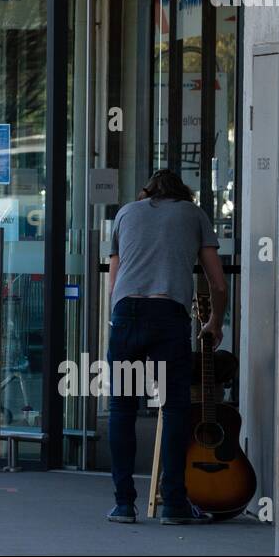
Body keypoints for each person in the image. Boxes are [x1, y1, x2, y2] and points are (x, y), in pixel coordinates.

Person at [105, 168, 227, 526]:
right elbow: (218, 284)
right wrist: (214, 322)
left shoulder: (126, 213)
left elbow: (114, 281)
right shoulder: (194, 214)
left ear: (146, 192)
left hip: (126, 315)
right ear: (182, 193)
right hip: (168, 315)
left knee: (122, 409)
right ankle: (173, 503)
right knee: (174, 408)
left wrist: (118, 320)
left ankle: (123, 504)